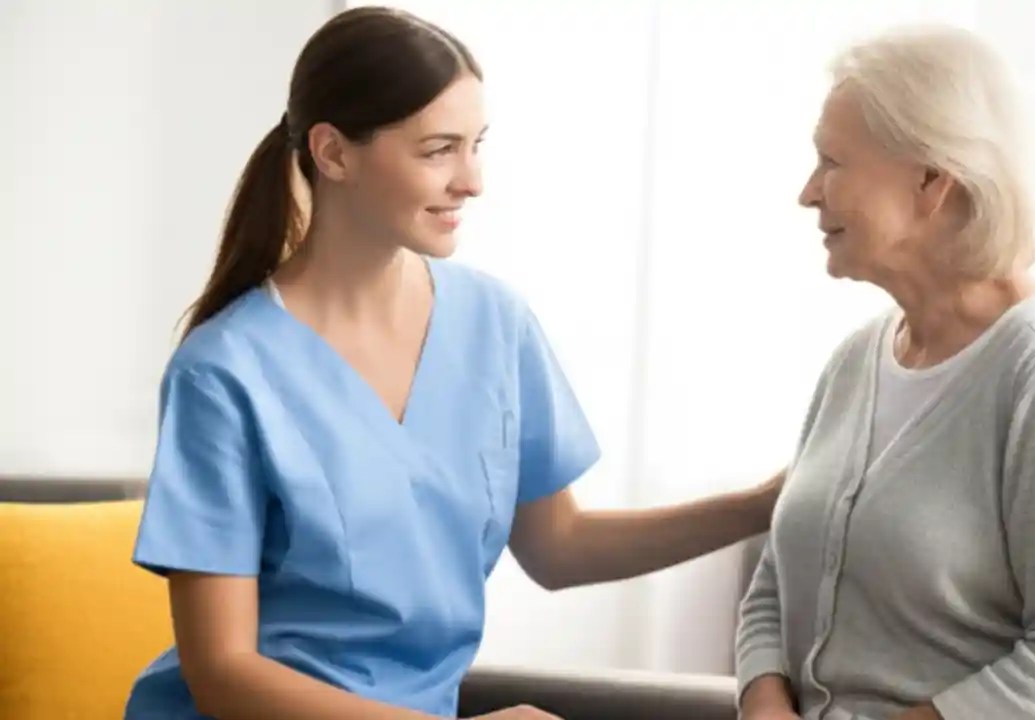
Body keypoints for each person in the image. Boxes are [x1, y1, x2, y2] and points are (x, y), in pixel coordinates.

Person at [125, 7, 783, 720]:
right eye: (438, 150)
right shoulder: (224, 371)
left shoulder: (494, 323)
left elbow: (558, 547)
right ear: (334, 153)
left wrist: (757, 508)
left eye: (477, 145)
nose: (472, 180)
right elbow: (223, 673)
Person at [736, 25, 1035, 720]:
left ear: (930, 177)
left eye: (831, 162)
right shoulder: (855, 362)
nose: (808, 193)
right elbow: (779, 577)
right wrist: (763, 699)